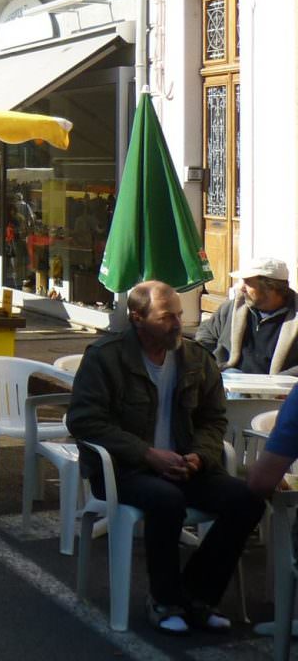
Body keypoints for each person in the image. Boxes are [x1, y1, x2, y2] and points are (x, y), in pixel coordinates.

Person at [67, 279, 263, 634]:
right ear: (137, 318)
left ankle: (197, 595)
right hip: (125, 470)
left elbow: (212, 419)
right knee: (166, 500)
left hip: (184, 466)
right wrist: (147, 454)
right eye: (165, 317)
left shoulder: (195, 358)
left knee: (248, 500)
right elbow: (85, 420)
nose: (176, 323)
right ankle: (165, 600)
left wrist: (200, 457)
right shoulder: (106, 357)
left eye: (178, 314)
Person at [194, 257, 298, 374]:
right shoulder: (232, 308)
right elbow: (205, 334)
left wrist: (281, 382)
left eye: (247, 283)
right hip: (229, 384)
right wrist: (212, 365)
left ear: (271, 287)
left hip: (277, 388)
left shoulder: (294, 316)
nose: (241, 288)